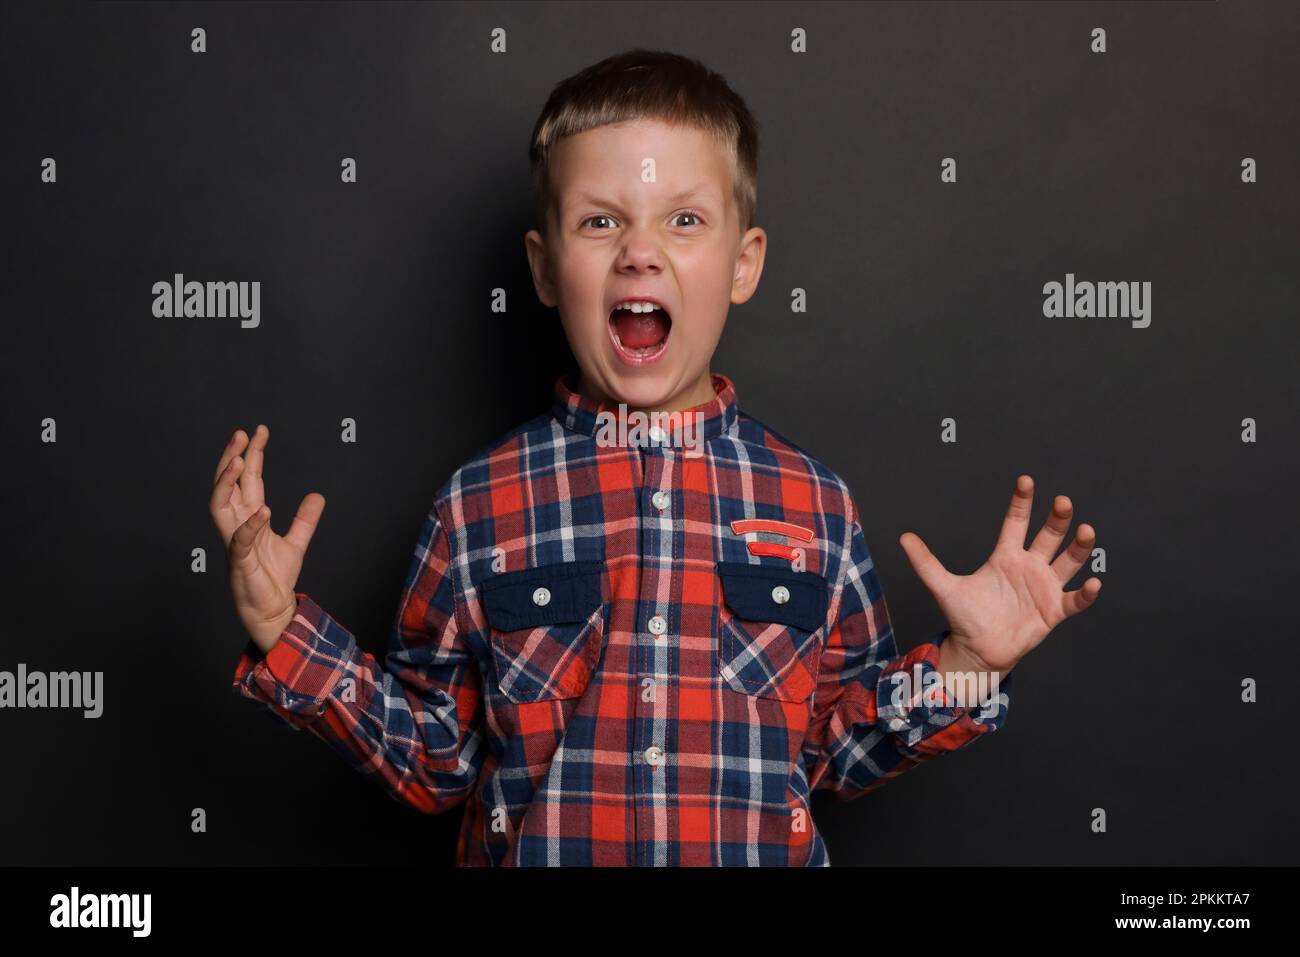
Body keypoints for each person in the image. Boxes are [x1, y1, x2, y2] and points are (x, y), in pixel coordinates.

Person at [209, 49, 1101, 866]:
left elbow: (834, 748)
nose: (640, 252)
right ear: (546, 267)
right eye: (600, 222)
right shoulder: (475, 506)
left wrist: (967, 665)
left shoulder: (815, 507)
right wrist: (284, 629)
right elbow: (438, 758)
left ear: (744, 263)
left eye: (683, 220)